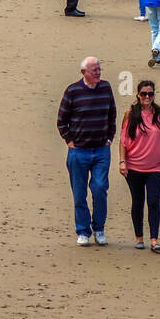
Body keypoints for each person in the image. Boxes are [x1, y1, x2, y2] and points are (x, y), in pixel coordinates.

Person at [56, 57, 116, 246]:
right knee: (79, 193)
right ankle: (83, 231)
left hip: (101, 150)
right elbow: (61, 120)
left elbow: (112, 116)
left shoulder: (106, 88)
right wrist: (70, 141)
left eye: (99, 69)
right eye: (94, 70)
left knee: (99, 188)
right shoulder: (72, 91)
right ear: (84, 72)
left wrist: (108, 139)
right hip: (78, 152)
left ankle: (99, 228)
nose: (98, 73)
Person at [118, 79, 160, 251]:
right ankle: (139, 237)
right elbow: (123, 140)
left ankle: (154, 239)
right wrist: (122, 161)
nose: (147, 96)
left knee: (154, 201)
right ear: (138, 95)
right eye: (144, 93)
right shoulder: (130, 114)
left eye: (150, 93)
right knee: (138, 201)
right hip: (134, 165)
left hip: (156, 166)